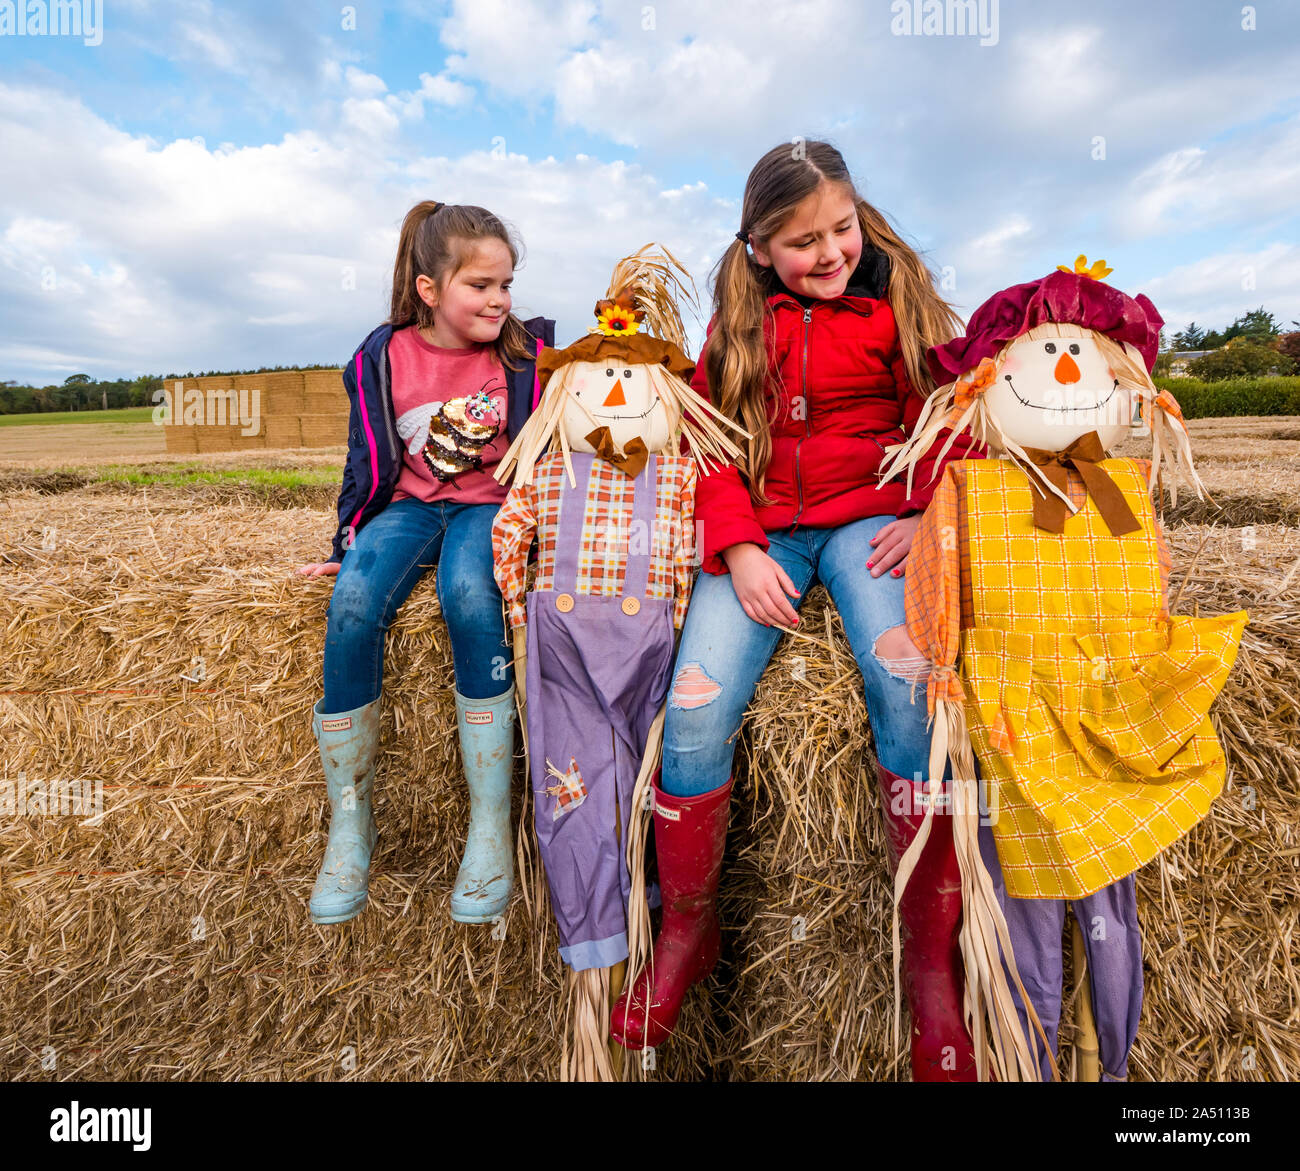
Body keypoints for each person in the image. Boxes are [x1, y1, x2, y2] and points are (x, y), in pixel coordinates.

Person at [609, 140, 981, 1081]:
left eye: (842, 229)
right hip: (764, 529)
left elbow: (946, 415)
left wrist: (925, 510)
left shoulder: (895, 307)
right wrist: (735, 545)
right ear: (761, 247)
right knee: (692, 708)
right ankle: (687, 927)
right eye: (803, 240)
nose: (831, 252)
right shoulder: (737, 330)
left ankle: (930, 960)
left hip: (870, 521)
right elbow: (712, 446)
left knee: (909, 688)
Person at [296, 200, 554, 928]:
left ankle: (488, 825)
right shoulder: (383, 356)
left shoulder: (526, 356)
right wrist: (345, 541)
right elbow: (366, 459)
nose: (500, 300)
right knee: (351, 602)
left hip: (487, 507)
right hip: (408, 506)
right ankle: (351, 825)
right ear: (430, 290)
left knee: (470, 593)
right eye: (480, 286)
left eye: (506, 284)